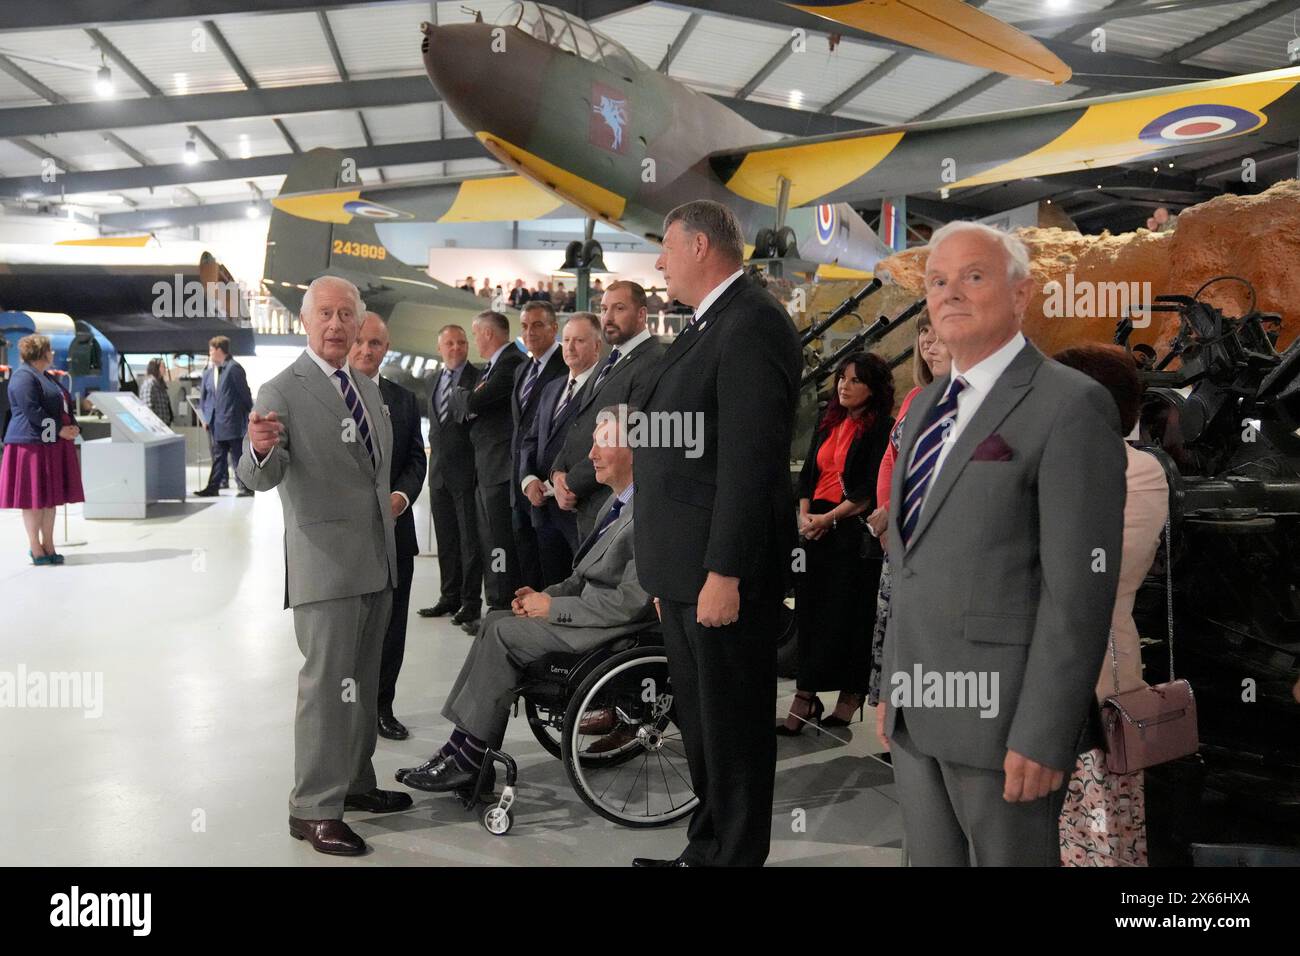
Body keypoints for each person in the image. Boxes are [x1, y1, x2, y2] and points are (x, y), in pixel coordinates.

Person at [878, 221, 1126, 867]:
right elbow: (912, 567)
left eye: (974, 276)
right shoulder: (927, 405)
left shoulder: (1071, 406)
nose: (950, 292)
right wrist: (891, 690)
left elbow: (1078, 589)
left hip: (1003, 725)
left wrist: (1045, 732)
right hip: (918, 712)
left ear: (1021, 295)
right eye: (937, 281)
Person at [633, 200, 800, 867]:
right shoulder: (710, 325)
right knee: (702, 730)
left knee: (731, 735)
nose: (659, 262)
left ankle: (732, 859)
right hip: (684, 574)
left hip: (719, 576)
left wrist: (724, 572)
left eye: (667, 248)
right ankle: (705, 852)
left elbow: (751, 464)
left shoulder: (752, 324)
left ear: (700, 246)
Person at [237, 275, 410, 857]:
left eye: (346, 315)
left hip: (377, 560)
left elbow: (375, 473)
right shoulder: (281, 389)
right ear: (305, 322)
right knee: (327, 690)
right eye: (326, 315)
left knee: (361, 686)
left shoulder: (365, 387)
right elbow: (260, 475)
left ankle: (354, 785)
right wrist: (258, 447)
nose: (337, 325)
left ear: (360, 324)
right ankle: (311, 808)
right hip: (326, 567)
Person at [398, 407, 654, 794]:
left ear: (635, 449)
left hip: (610, 631)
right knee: (495, 619)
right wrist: (542, 596)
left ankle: (469, 758)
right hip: (587, 616)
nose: (592, 456)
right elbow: (580, 577)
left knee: (503, 635)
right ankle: (459, 747)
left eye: (603, 443)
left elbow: (630, 603)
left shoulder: (650, 513)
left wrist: (554, 609)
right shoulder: (614, 504)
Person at [1053, 344, 1168, 867]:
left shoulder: (1136, 471)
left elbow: (1087, 572)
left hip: (1096, 682)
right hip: (1057, 679)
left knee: (1098, 839)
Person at [780, 352, 893, 734]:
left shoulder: (882, 429)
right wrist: (805, 515)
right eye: (842, 378)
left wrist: (828, 519)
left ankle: (850, 695)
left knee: (849, 616)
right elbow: (809, 471)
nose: (844, 385)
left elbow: (868, 490)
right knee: (810, 614)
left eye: (855, 380)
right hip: (816, 526)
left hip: (851, 529)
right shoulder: (829, 420)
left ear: (873, 388)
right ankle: (805, 695)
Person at [866, 312, 950, 728]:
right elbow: (891, 458)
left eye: (938, 336)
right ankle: (902, 724)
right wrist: (885, 516)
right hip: (897, 543)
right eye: (923, 335)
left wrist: (897, 513)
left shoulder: (973, 401)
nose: (928, 345)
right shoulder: (918, 398)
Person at [350, 313, 428, 742]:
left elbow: (417, 458)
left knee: (392, 626)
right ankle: (347, 708)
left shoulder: (402, 399)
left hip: (395, 533)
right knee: (349, 629)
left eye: (375, 344)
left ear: (387, 347)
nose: (365, 350)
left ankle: (382, 706)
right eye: (359, 342)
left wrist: (402, 496)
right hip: (344, 540)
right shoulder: (330, 397)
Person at [551, 280, 666, 540]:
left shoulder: (653, 362)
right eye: (604, 309)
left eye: (619, 308)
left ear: (641, 314)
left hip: (610, 505)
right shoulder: (607, 362)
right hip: (583, 503)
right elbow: (579, 423)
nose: (608, 317)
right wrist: (557, 473)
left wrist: (570, 484)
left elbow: (625, 439)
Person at [448, 311, 526, 622]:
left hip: (500, 467)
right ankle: (495, 599)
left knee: (499, 542)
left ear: (489, 334)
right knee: (489, 540)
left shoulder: (510, 364)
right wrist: (467, 399)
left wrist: (466, 398)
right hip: (487, 466)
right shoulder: (491, 369)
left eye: (476, 335)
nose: (474, 342)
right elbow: (463, 409)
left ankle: (501, 603)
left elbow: (472, 404)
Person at [519, 312, 601, 584]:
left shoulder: (603, 389)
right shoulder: (552, 388)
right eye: (566, 340)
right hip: (544, 507)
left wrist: (573, 485)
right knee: (551, 587)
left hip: (580, 507)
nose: (570, 347)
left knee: (583, 587)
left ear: (597, 346)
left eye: (579, 340)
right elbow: (531, 440)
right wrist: (529, 480)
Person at [417, 325, 484, 628]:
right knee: (446, 540)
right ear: (439, 347)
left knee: (470, 542)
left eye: (460, 343)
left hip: (468, 473)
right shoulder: (432, 380)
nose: (455, 348)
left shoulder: (479, 378)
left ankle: (471, 603)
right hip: (439, 474)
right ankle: (449, 597)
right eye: (449, 344)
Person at [0, 335, 84, 565]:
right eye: (50, 350)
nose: (53, 354)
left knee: (49, 499)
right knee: (34, 499)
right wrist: (59, 430)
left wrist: (73, 426)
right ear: (41, 353)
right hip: (29, 444)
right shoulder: (22, 377)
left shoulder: (45, 376)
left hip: (48, 443)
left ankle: (49, 544)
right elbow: (32, 411)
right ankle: (35, 547)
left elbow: (62, 403)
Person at [510, 302, 567, 593]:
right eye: (524, 326)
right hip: (522, 480)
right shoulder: (523, 370)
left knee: (552, 567)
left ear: (554, 328)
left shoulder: (566, 366)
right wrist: (524, 476)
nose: (529, 332)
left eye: (537, 325)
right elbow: (521, 431)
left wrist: (541, 479)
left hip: (551, 488)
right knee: (526, 556)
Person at [194, 335, 253, 498]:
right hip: (216, 424)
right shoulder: (208, 372)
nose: (210, 353)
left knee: (237, 457)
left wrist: (251, 416)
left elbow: (245, 394)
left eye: (211, 350)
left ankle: (246, 488)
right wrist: (206, 418)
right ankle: (213, 487)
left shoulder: (234, 368)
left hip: (233, 422)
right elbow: (204, 399)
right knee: (218, 457)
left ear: (219, 350)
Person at [140, 358, 173, 426]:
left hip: (165, 426)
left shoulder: (162, 386)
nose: (165, 369)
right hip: (155, 427)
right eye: (163, 366)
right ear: (155, 368)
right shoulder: (149, 384)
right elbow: (147, 409)